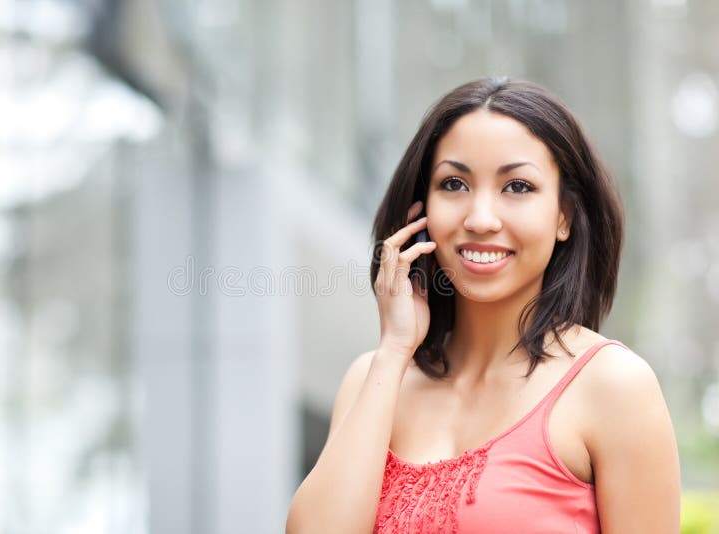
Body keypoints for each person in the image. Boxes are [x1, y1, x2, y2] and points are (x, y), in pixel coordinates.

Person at [285, 78, 681, 533]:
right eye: (454, 184)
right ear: (421, 212)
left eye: (517, 186)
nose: (480, 219)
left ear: (564, 217)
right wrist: (394, 349)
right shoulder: (370, 379)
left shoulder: (612, 386)